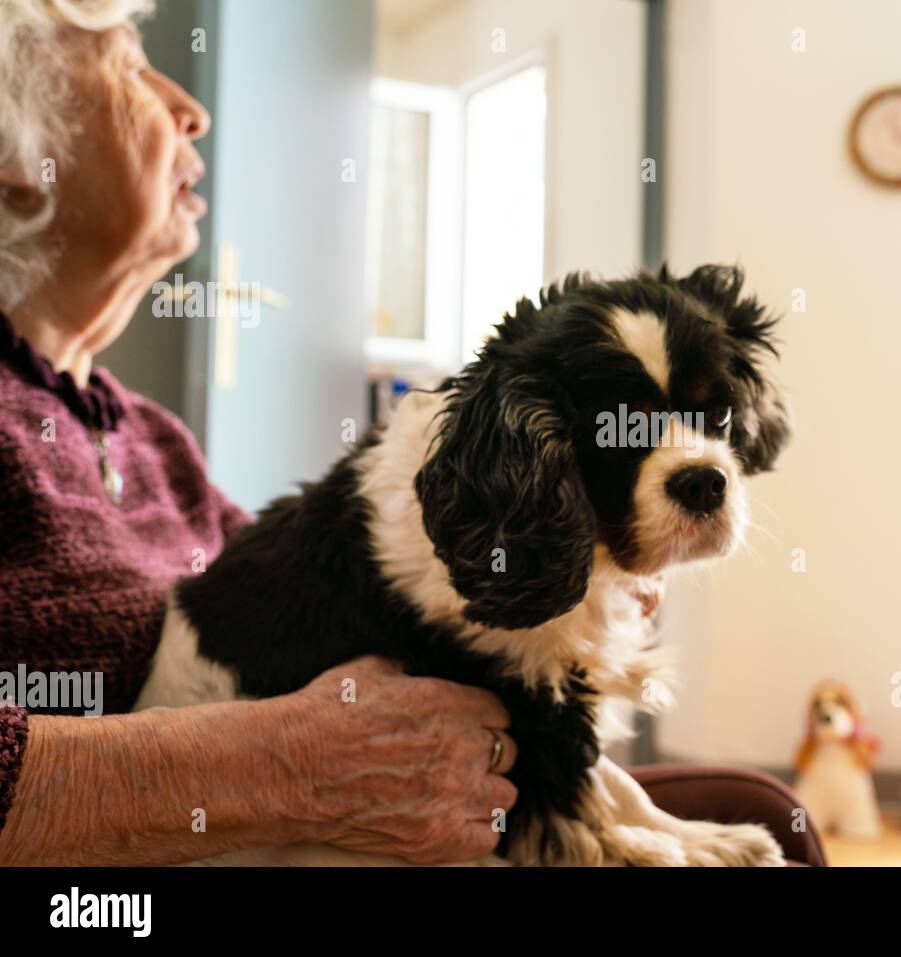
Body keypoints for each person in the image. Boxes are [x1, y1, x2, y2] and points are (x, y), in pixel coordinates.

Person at [0, 0, 822, 866]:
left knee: (763, 816)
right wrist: (275, 767)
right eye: (129, 66)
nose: (190, 108)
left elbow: (316, 609)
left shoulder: (156, 443)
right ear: (13, 159)